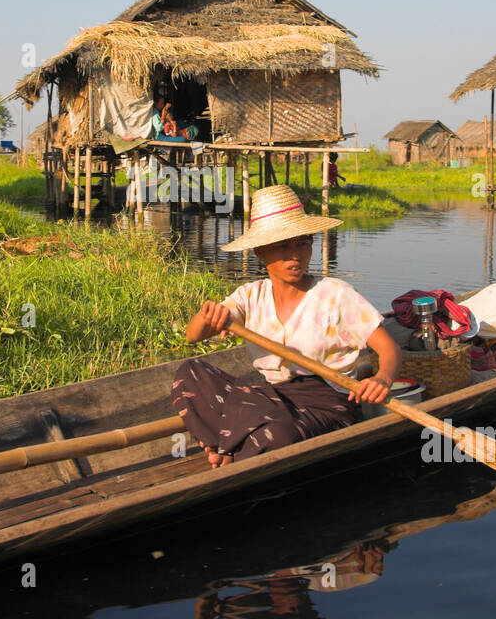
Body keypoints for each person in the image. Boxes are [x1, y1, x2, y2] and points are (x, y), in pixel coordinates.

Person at [171, 185, 401, 468]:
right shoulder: (249, 296)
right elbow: (193, 335)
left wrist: (382, 379)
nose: (296, 255)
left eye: (302, 243)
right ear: (260, 252)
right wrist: (209, 316)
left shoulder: (336, 294)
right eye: (283, 246)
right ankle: (233, 442)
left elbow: (388, 348)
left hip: (327, 406)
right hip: (271, 399)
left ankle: (227, 443)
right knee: (189, 373)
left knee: (280, 434)